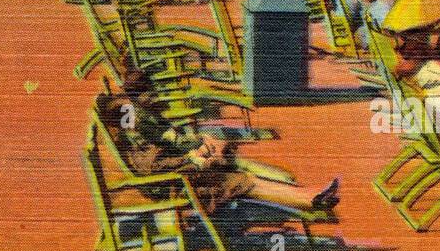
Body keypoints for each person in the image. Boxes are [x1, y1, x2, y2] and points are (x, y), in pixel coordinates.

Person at [98, 72, 340, 216]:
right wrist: (197, 160)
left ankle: (309, 195)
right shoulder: (138, 140)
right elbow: (159, 168)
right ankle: (311, 199)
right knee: (246, 180)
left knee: (243, 173)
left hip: (180, 177)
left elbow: (168, 151)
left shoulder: (135, 133)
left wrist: (198, 153)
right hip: (178, 186)